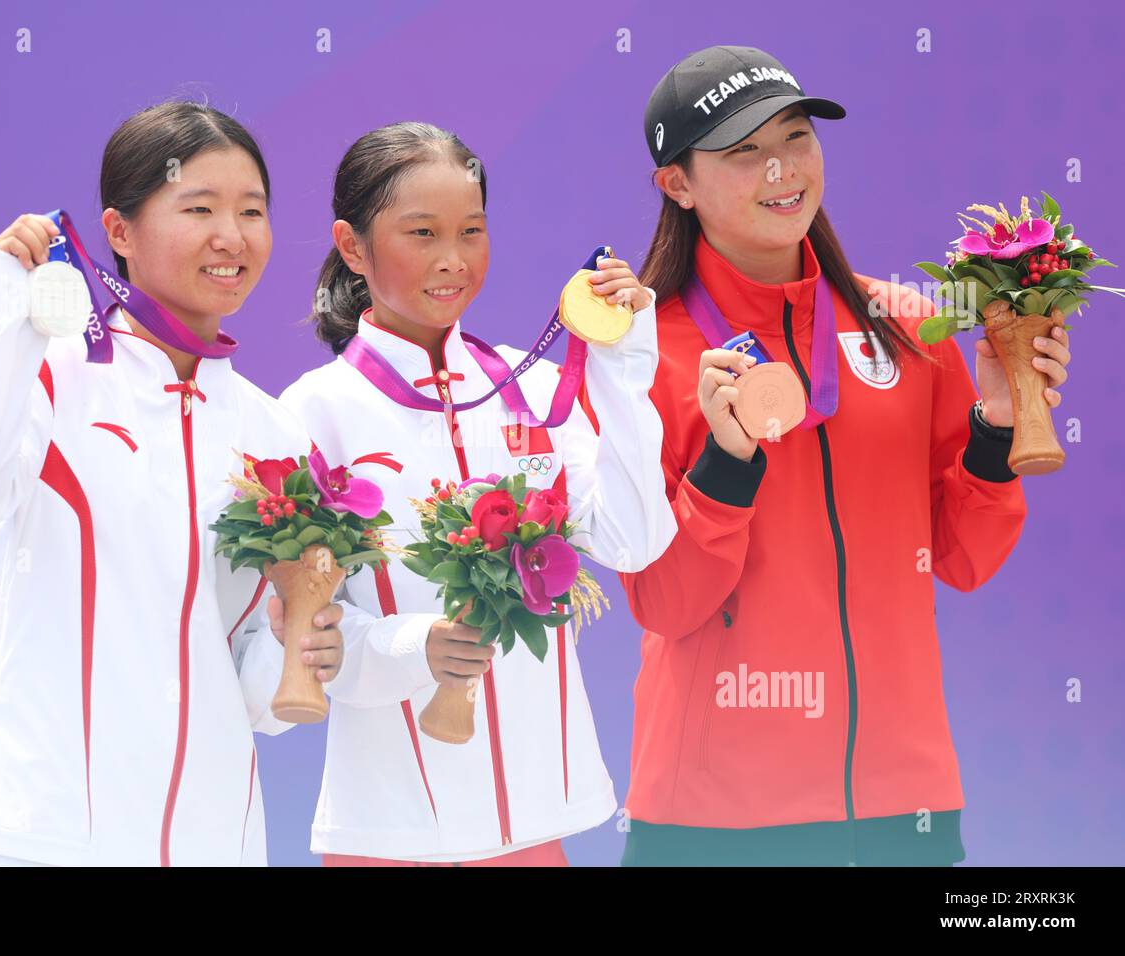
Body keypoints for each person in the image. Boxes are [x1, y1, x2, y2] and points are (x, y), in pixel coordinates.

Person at [618, 46, 1072, 866]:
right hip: (717, 818)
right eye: (742, 151)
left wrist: (997, 428)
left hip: (908, 808)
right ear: (676, 185)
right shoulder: (640, 358)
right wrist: (724, 469)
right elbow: (662, 602)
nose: (781, 169)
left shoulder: (907, 324)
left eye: (796, 137)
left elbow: (964, 558)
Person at [0, 101, 382, 866]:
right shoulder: (49, 377)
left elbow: (251, 681)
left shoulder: (272, 433)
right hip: (47, 836)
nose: (230, 236)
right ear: (119, 231)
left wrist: (308, 650)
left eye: (252, 210)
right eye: (198, 208)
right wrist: (11, 318)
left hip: (217, 841)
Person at [272, 121, 677, 865]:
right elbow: (310, 631)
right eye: (421, 233)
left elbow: (636, 540)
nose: (453, 260)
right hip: (386, 831)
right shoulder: (310, 414)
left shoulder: (536, 387)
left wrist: (623, 373)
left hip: (530, 827)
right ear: (353, 246)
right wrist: (416, 645)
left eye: (472, 231)